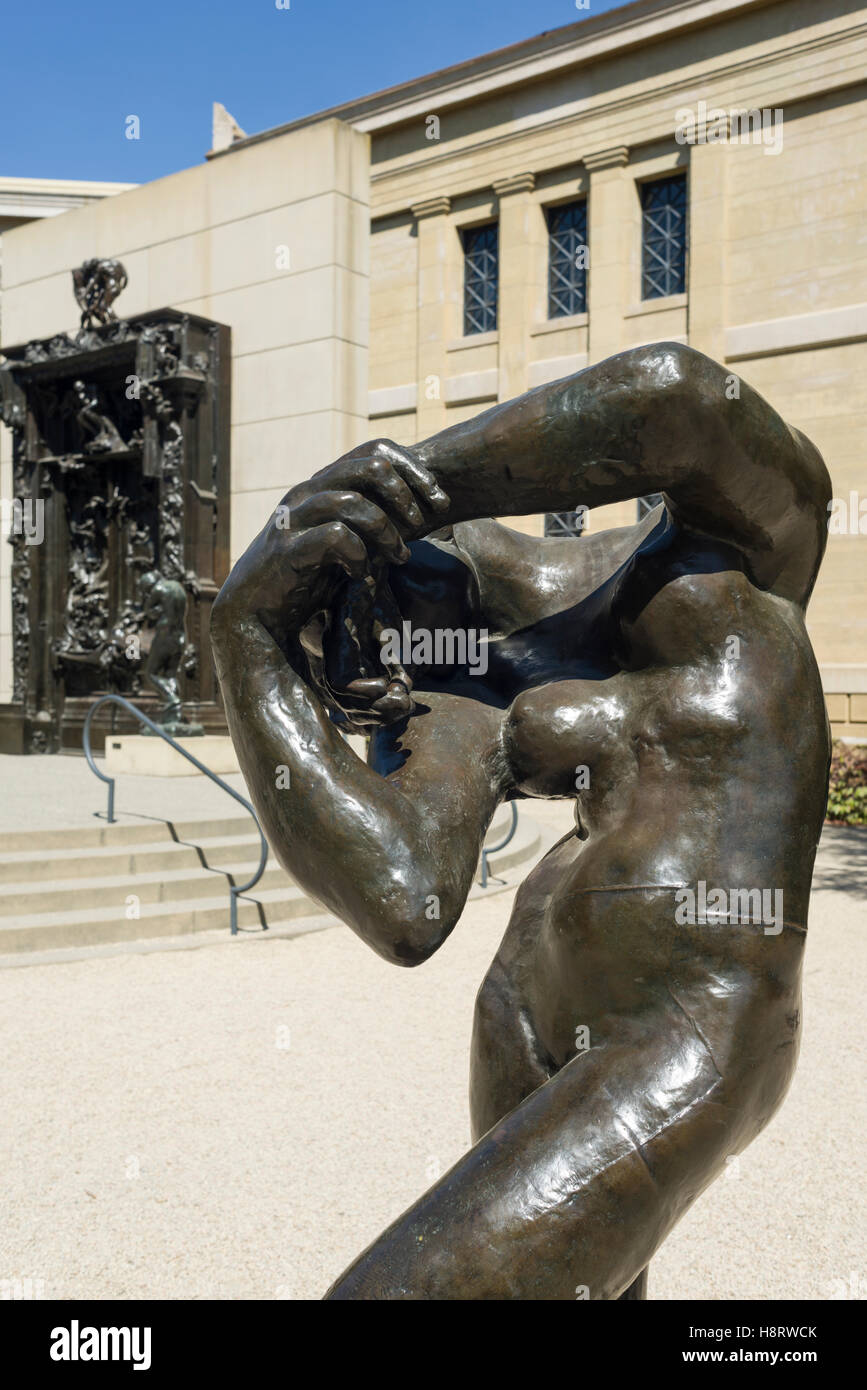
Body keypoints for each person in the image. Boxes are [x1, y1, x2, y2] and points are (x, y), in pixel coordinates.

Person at [210, 342, 832, 1300]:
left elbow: (678, 394)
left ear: (389, 558)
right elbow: (403, 900)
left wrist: (413, 486)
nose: (364, 667)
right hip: (521, 1015)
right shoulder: (467, 694)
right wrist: (244, 643)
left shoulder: (730, 550)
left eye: (345, 622)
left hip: (687, 1026)